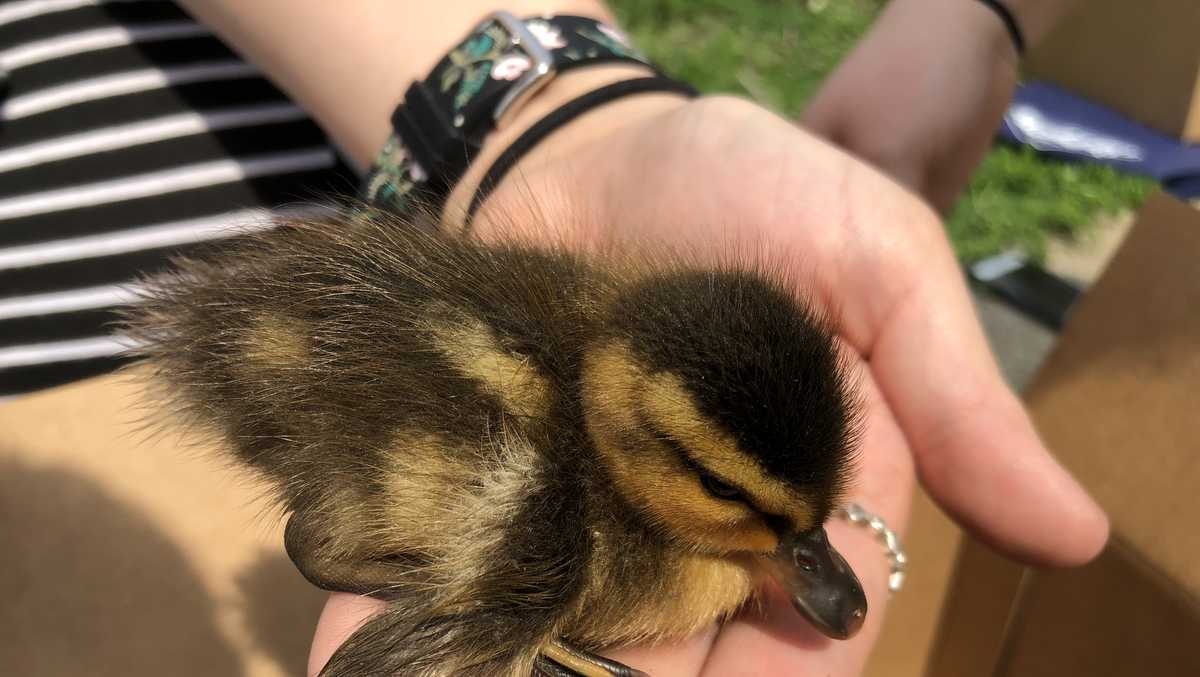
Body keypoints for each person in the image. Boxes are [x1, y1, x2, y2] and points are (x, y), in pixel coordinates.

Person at [2, 0, 1106, 674]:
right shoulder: (568, 535)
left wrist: (562, 111)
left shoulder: (593, 351)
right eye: (750, 506)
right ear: (639, 433)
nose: (809, 569)